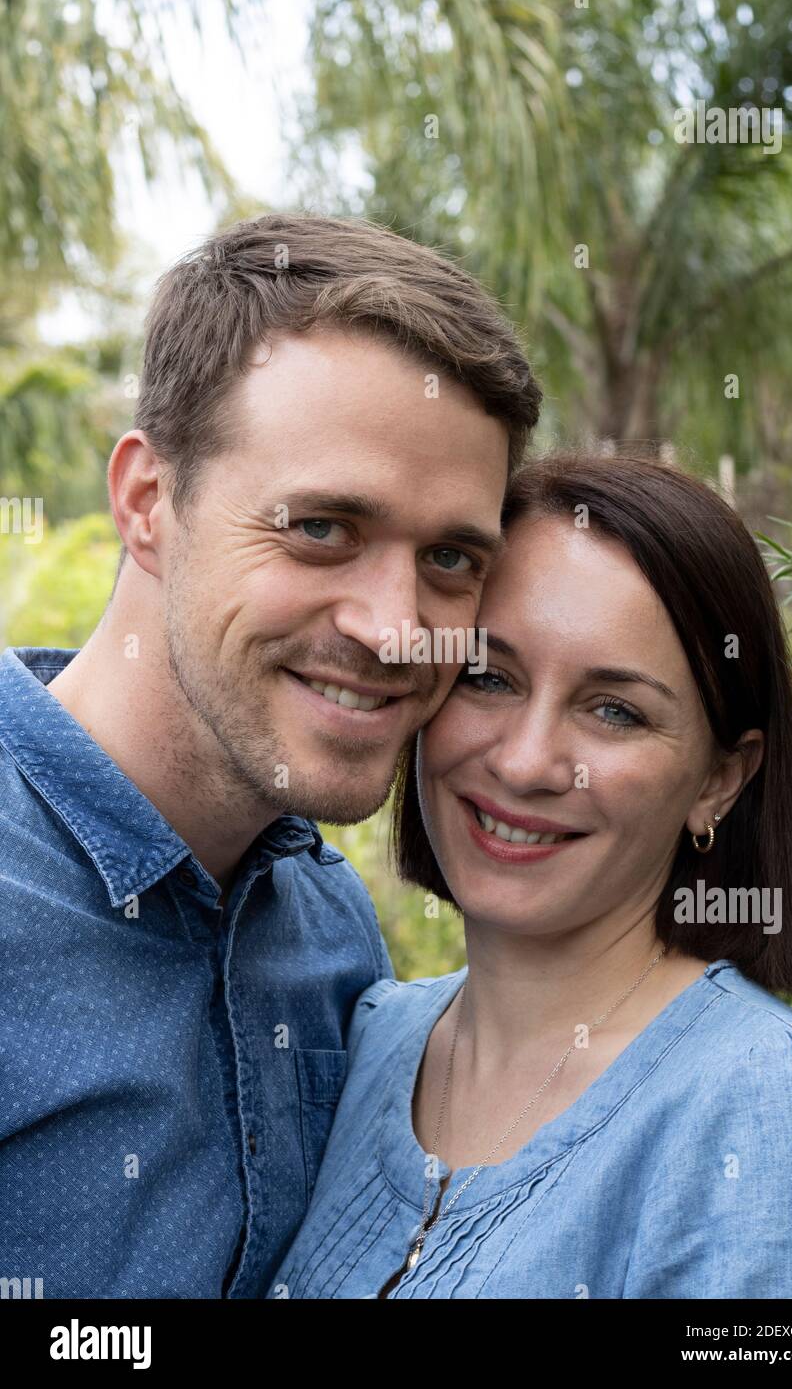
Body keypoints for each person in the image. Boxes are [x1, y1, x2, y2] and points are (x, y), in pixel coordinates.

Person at [0, 213, 541, 1298]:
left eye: (447, 557)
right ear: (150, 502)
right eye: (321, 529)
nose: (397, 629)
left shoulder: (327, 930)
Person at [270, 451, 792, 1299]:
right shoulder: (366, 1038)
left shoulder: (761, 1100)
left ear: (718, 781)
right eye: (488, 677)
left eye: (614, 710)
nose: (524, 761)